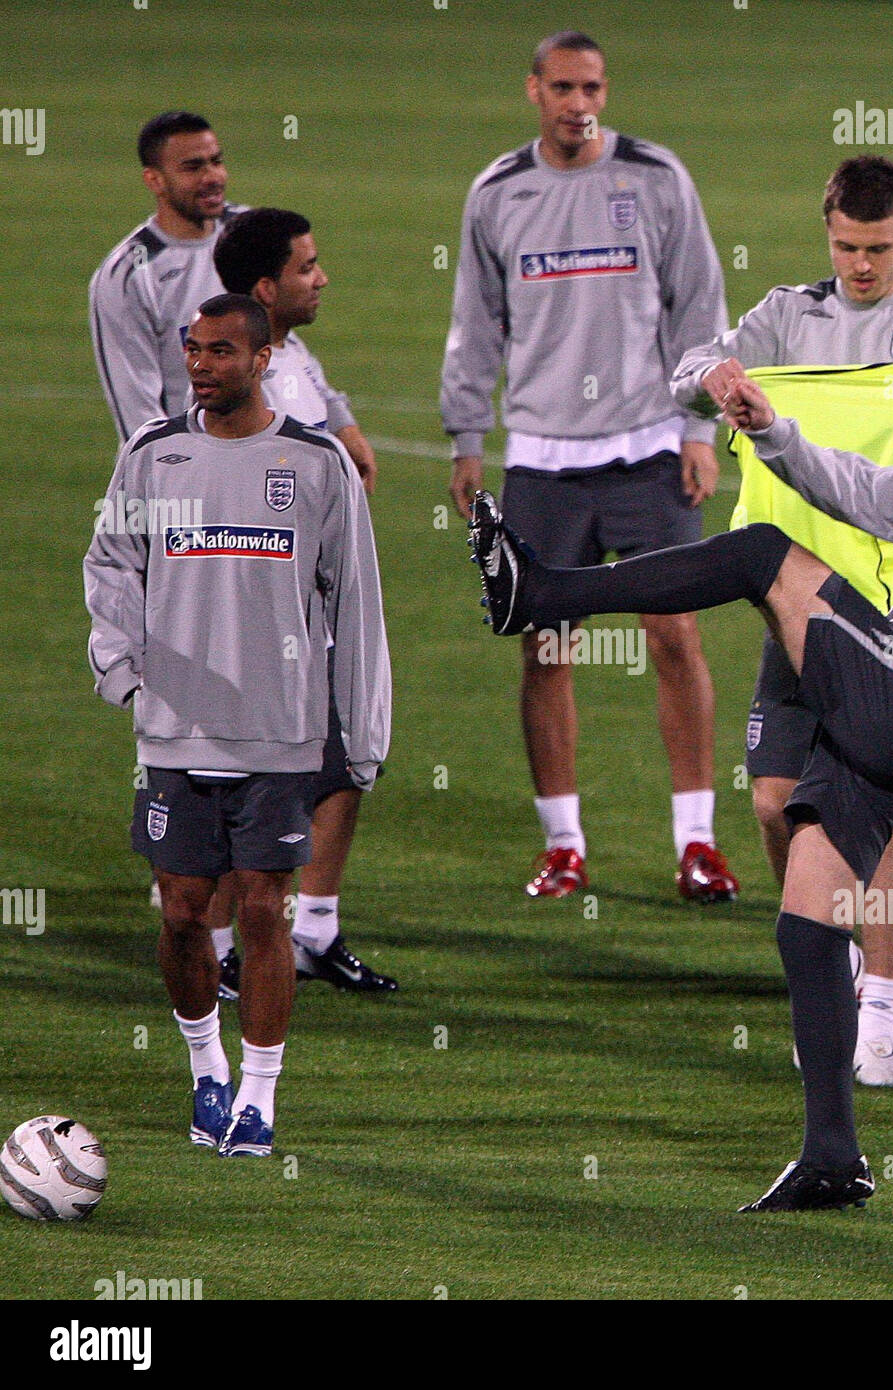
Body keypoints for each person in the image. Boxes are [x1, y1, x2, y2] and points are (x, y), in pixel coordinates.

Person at [467, 293, 893, 1210]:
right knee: (807, 923)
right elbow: (866, 495)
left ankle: (541, 594)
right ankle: (834, 1157)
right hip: (885, 711)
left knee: (759, 554)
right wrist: (775, 431)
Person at [670, 155, 893, 1085]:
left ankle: (879, 1018)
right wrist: (715, 376)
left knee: (883, 812)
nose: (859, 265)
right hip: (795, 607)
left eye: (877, 249)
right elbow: (688, 375)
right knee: (775, 801)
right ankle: (835, 956)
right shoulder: (786, 317)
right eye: (845, 246)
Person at [84, 295, 391, 1157]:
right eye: (192, 350)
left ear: (263, 361)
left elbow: (357, 603)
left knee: (263, 910)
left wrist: (361, 736)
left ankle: (259, 1096)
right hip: (175, 727)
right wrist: (121, 673)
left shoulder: (315, 462)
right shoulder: (154, 455)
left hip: (280, 731)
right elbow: (111, 562)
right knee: (183, 912)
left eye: (220, 351)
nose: (200, 365)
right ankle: (205, 1070)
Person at [441, 30, 737, 902]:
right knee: (546, 646)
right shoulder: (499, 192)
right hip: (542, 459)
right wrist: (467, 438)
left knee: (676, 636)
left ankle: (697, 842)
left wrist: (697, 428)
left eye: (593, 88)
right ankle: (564, 844)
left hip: (648, 446)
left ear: (607, 91)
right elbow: (475, 322)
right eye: (564, 87)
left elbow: (700, 306)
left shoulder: (654, 176)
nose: (580, 104)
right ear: (533, 90)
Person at [211, 207, 394, 994]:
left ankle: (315, 929)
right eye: (307, 268)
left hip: (326, 607)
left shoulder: (288, 350)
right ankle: (216, 945)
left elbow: (320, 387)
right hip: (266, 616)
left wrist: (346, 428)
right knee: (244, 784)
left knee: (350, 755)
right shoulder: (234, 371)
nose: (321, 278)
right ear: (264, 287)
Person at [89, 112, 238, 442]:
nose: (212, 176)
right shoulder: (128, 276)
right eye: (193, 167)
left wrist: (339, 419)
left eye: (216, 161)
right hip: (193, 462)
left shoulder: (249, 232)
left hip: (267, 451)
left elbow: (287, 341)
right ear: (154, 180)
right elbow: (137, 410)